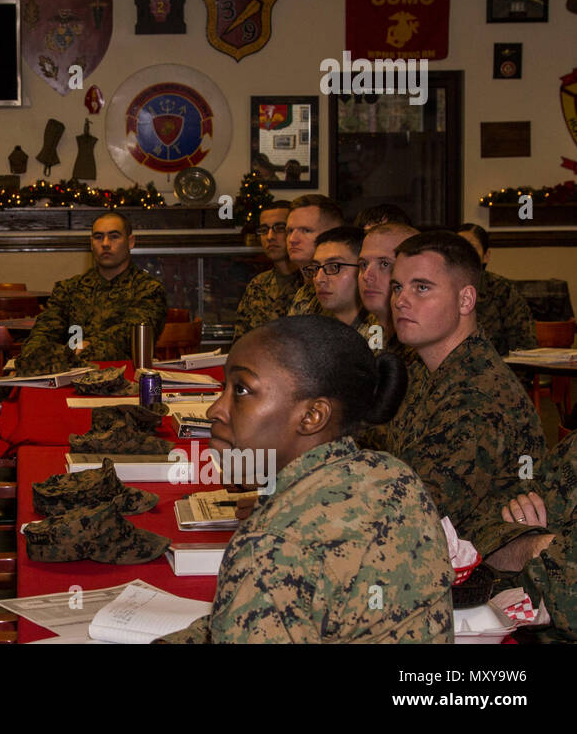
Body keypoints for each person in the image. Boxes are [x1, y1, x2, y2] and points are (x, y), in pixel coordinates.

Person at [160, 315, 454, 643]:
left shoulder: (269, 548)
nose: (215, 410)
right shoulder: (394, 476)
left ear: (312, 416)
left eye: (241, 390)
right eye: (223, 388)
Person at [381, 232, 545, 548]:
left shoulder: (477, 394)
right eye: (398, 287)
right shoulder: (421, 369)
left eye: (422, 288)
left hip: (478, 568)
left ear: (465, 300)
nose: (401, 300)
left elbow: (415, 511)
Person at [12, 211, 167, 375]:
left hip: (125, 380)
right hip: (68, 378)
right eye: (98, 237)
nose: (105, 244)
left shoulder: (149, 289)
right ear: (91, 243)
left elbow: (127, 338)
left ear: (130, 242)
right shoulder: (69, 289)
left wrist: (79, 348)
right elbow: (43, 333)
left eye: (114, 236)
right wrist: (33, 356)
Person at [494, 433, 576, 642]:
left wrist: (531, 547)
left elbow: (568, 603)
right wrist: (540, 546)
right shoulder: (569, 451)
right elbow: (489, 543)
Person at [456, 223, 537, 357]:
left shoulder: (502, 291)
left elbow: (525, 347)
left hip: (496, 372)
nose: (464, 254)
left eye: (472, 247)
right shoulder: (439, 289)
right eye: (458, 248)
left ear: (486, 256)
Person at [233, 200, 298, 341]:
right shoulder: (258, 285)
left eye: (279, 228)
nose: (270, 237)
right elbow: (240, 341)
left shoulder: (312, 284)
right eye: (264, 230)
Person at [296, 226, 377, 336]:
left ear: (363, 269)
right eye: (315, 268)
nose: (319, 279)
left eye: (334, 267)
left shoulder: (381, 328)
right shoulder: (310, 310)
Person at [358, 222, 418, 349]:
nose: (366, 276)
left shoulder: (424, 345)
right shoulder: (373, 331)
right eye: (363, 265)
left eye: (384, 264)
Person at [284, 194, 345, 316]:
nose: (292, 239)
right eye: (290, 231)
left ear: (332, 234)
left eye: (306, 230)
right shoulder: (304, 293)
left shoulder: (343, 292)